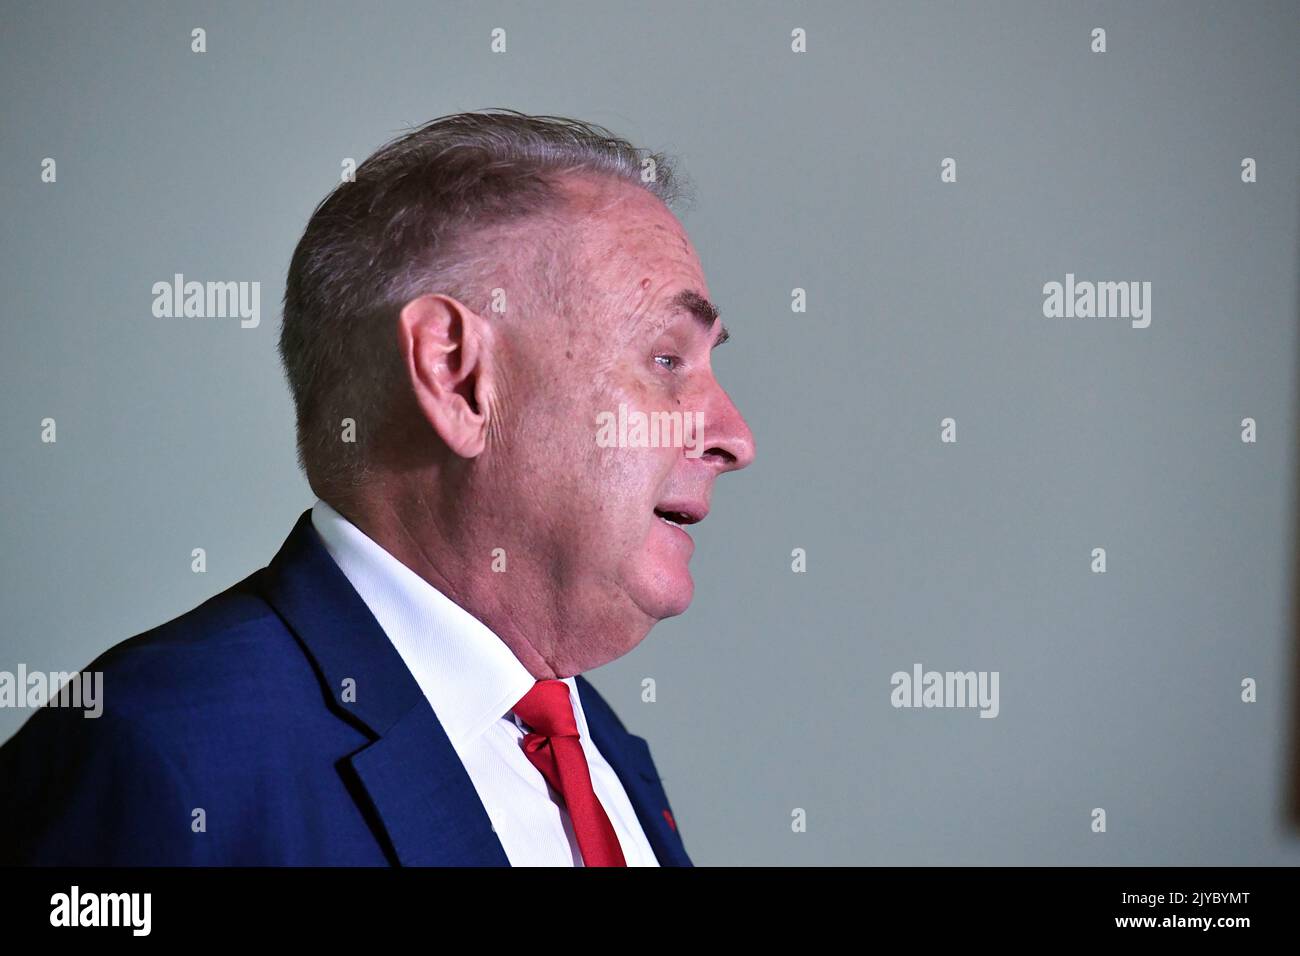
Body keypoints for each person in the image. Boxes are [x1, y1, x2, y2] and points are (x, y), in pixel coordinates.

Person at [0, 110, 755, 866]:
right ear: (456, 375)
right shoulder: (161, 754)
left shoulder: (598, 748)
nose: (734, 438)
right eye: (665, 360)